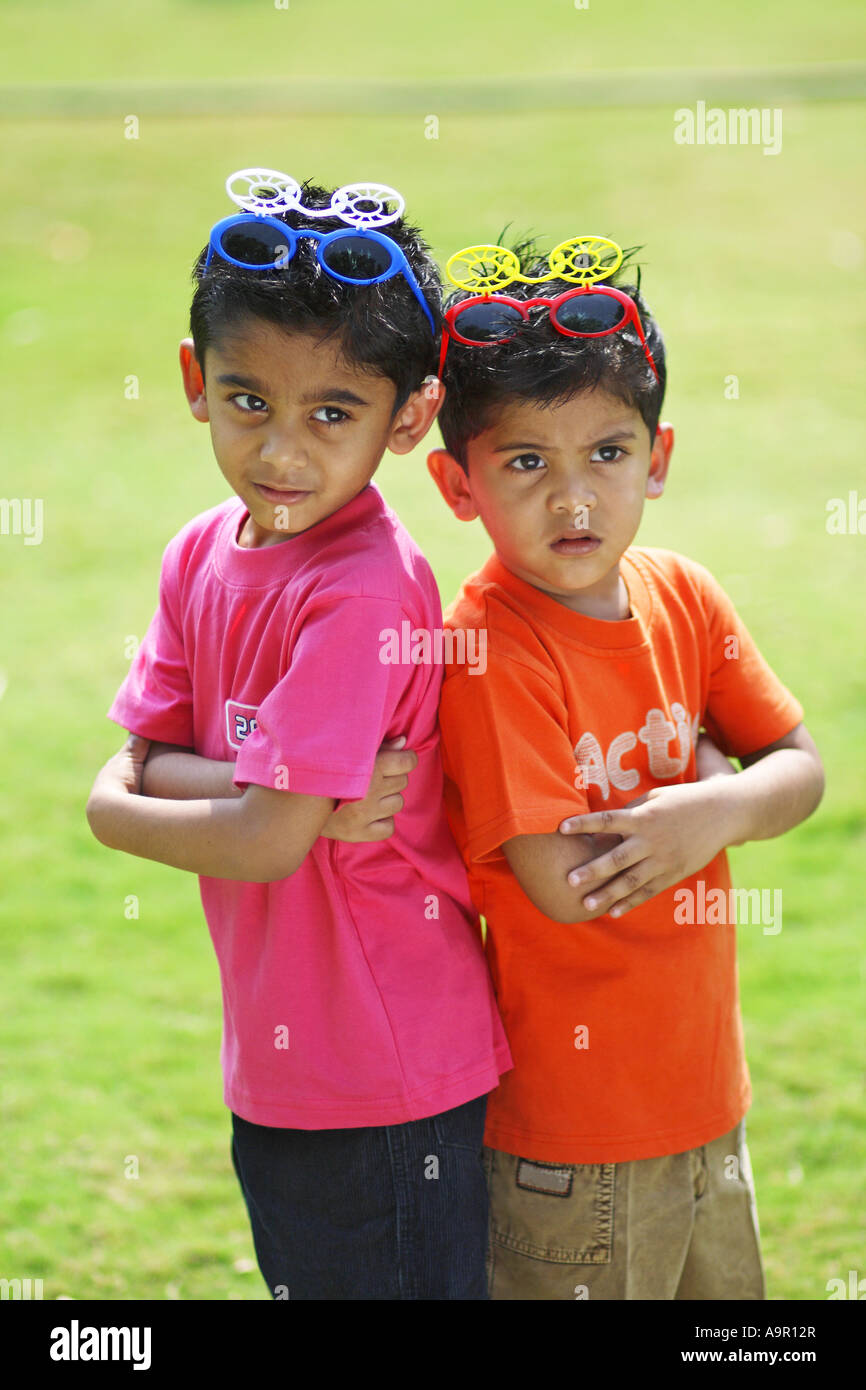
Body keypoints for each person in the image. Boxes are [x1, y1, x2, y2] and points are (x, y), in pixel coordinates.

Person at [85, 172, 511, 1301]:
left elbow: (256, 836)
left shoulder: (361, 591)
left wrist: (117, 809)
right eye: (248, 400)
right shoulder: (198, 553)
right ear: (194, 382)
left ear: (410, 416)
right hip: (282, 1061)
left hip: (386, 1073)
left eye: (332, 413)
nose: (282, 452)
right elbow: (168, 762)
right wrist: (249, 780)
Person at [426, 233, 824, 1299]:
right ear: (456, 484)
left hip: (708, 1106)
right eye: (524, 462)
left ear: (657, 458)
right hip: (572, 1141)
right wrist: (710, 793)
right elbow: (568, 881)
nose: (573, 501)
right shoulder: (490, 650)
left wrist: (716, 802)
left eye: (606, 453)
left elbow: (798, 765)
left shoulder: (682, 595)